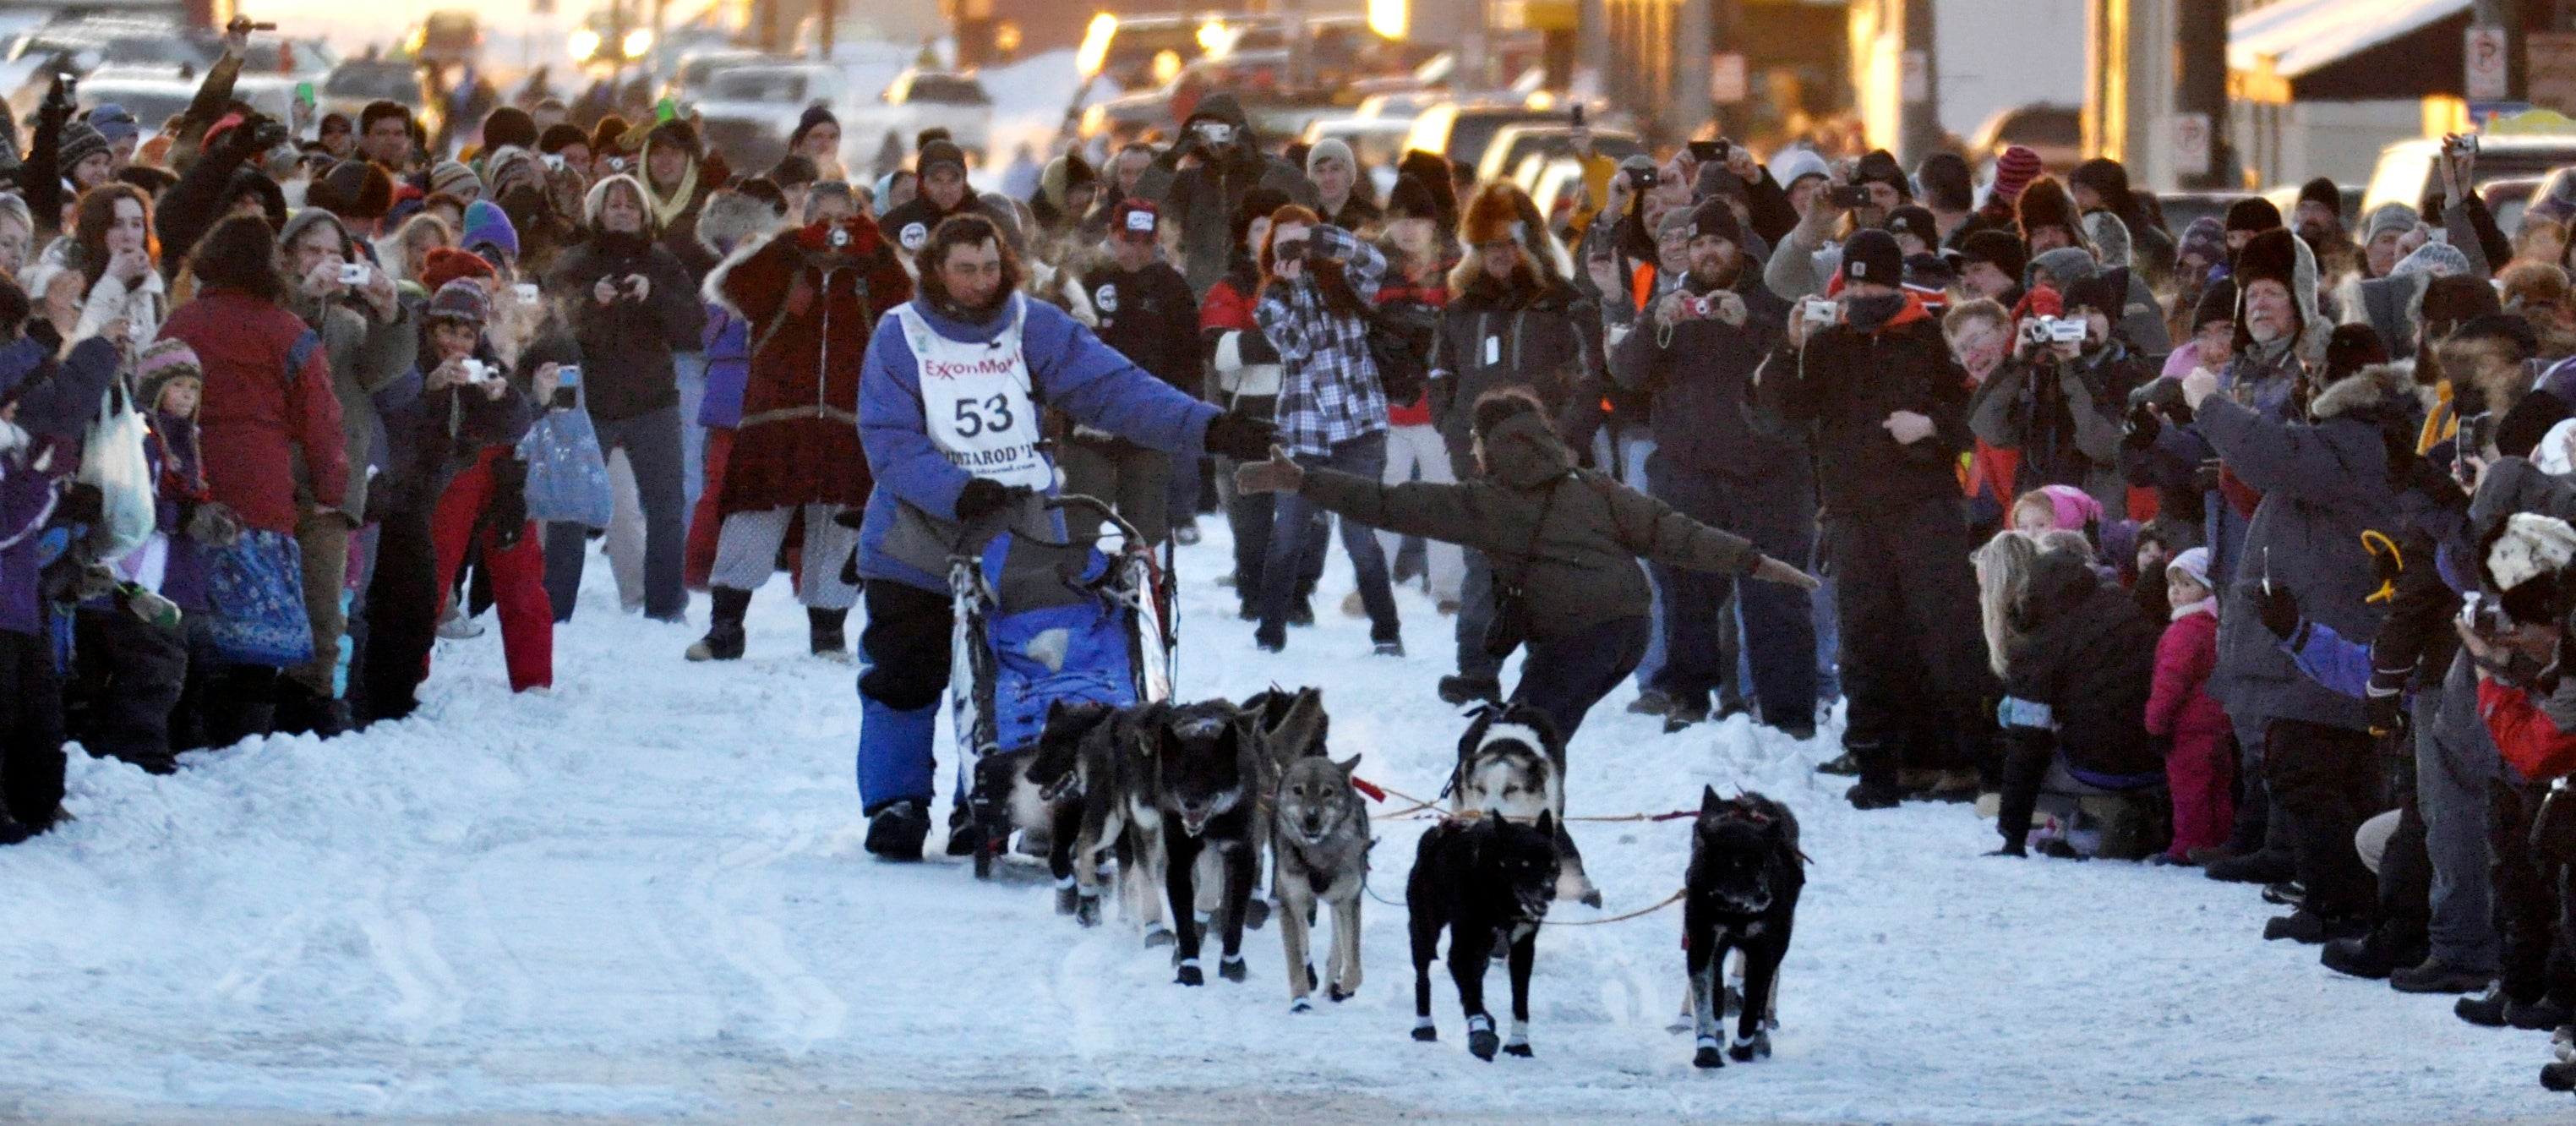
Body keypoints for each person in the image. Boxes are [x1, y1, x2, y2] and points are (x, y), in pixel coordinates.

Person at [852, 213, 1275, 861]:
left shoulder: (1032, 326)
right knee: (905, 674)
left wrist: (1210, 429)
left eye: (990, 267)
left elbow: (1117, 390)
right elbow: (888, 438)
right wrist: (954, 489)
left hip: (1017, 536)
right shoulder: (899, 335)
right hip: (917, 535)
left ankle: (989, 800)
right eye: (964, 269)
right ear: (936, 269)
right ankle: (897, 804)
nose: (978, 282)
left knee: (1015, 675)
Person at [1238, 389, 1817, 741]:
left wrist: (1305, 481)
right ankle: (1546, 844)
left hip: (1578, 638)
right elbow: (1677, 533)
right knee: (1536, 738)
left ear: (1491, 443)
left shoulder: (1485, 502)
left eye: (1475, 437)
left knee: (1521, 743)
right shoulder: (1590, 484)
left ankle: (1543, 857)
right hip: (1629, 630)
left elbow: (1390, 504)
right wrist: (1756, 561)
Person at [2181, 352, 2418, 941]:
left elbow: (2271, 454)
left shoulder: (2351, 438)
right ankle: (2347, 898)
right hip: (2332, 633)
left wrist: (2209, 402)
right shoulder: (2365, 441)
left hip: (2320, 640)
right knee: (2337, 776)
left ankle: (2337, 905)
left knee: (2305, 772)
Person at [1756, 229, 1994, 809]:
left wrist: (1931, 425)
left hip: (1926, 509)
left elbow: (1974, 411)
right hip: (1854, 515)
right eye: (1854, 281)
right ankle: (1880, 763)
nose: (1862, 293)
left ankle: (1967, 760)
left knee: (1944, 635)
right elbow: (1782, 413)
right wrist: (1790, 348)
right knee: (1866, 641)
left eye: (1874, 282)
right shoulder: (1829, 344)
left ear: (1895, 283)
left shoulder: (1928, 340)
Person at [1608, 196, 1815, 737]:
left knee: (1776, 598)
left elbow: (1800, 371)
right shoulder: (1671, 303)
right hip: (1688, 472)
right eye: (1697, 244)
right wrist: (1655, 322)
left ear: (1738, 245)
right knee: (1686, 595)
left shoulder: (1772, 298)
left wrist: (1750, 325)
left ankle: (1787, 713)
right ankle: (1687, 698)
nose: (1707, 253)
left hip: (1767, 473)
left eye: (1717, 242)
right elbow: (1627, 376)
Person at [690, 186, 908, 662]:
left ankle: (828, 631)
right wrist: (792, 244)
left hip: (849, 422)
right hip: (775, 420)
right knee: (752, 519)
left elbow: (914, 298)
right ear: (805, 220)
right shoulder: (780, 260)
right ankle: (725, 627)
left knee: (838, 527)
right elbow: (727, 286)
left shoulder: (872, 270)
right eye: (823, 219)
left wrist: (877, 249)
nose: (833, 230)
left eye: (843, 219)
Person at [158, 214, 350, 745]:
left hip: (193, 483)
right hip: (264, 492)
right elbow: (323, 420)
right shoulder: (289, 332)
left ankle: (186, 723)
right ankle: (244, 731)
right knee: (257, 630)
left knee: (194, 611)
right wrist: (331, 492)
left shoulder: (181, 323)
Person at [1428, 183, 1601, 698]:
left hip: (1549, 462)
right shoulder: (1460, 313)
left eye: (1508, 244)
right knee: (1484, 571)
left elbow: (1592, 378)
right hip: (1482, 465)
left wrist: (1569, 442)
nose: (1500, 257)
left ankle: (1549, 671)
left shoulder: (1564, 306)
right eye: (1488, 247)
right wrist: (1455, 432)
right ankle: (1477, 674)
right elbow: (1440, 376)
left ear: (1530, 245)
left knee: (1549, 573)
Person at [542, 173, 707, 625]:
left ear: (644, 214)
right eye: (613, 204)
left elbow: (692, 326)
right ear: (597, 210)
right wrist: (589, 300)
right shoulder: (575, 261)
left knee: (666, 507)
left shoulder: (663, 263)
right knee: (570, 509)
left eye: (631, 206)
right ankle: (555, 609)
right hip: (586, 402)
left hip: (653, 399)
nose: (622, 211)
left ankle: (666, 605)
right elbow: (549, 321)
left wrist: (653, 296)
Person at [276, 209, 416, 735]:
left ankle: (315, 706)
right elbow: (285, 340)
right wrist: (308, 297)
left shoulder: (350, 325)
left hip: (334, 482)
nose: (324, 263)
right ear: (287, 256)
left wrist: (390, 313)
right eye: (312, 251)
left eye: (335, 254)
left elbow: (387, 370)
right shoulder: (272, 309)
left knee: (325, 612)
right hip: (275, 478)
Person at [1252, 206, 1403, 655]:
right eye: (1286, 243)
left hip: (1359, 427)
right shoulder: (1271, 301)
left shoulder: (1347, 285)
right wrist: (1295, 282)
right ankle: (1269, 634)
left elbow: (1375, 263)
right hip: (1305, 433)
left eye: (1302, 242)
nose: (1296, 251)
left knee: (1360, 538)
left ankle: (1387, 633)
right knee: (1288, 535)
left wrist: (1324, 241)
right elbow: (1299, 347)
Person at [0, 275, 120, 839]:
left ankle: (36, 799)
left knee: (37, 701)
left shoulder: (19, 410)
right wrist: (45, 480)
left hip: (19, 590)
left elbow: (64, 405)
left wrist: (95, 345)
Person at [409, 280, 552, 692]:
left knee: (521, 571)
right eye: (447, 331)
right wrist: (434, 386)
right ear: (432, 328)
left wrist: (500, 396)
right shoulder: (412, 357)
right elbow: (400, 412)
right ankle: (410, 675)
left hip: (497, 472)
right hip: (440, 479)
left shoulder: (487, 360)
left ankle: (534, 678)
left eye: (466, 334)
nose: (456, 343)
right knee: (430, 576)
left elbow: (518, 421)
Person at [1989, 542, 2168, 856]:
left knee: (2021, 748)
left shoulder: (2041, 642)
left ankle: (2079, 818)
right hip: (2157, 760)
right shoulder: (2125, 608)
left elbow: (2028, 739)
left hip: (2098, 767)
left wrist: (2012, 835)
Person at [1061, 199, 1200, 548]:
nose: (1136, 250)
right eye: (1128, 239)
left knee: (1145, 533)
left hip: (1148, 426)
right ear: (1112, 234)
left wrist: (1176, 413)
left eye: (1145, 242)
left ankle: (1144, 592)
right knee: (1081, 525)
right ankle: (1078, 592)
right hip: (1090, 426)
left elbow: (1188, 359)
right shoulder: (1087, 276)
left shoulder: (1171, 286)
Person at [1132, 94, 1319, 297]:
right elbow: (1140, 204)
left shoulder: (1270, 171)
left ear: (1238, 130)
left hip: (1262, 292)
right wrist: (1172, 156)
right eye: (1204, 130)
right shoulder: (1189, 182)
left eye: (1220, 129)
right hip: (1204, 295)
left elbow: (1306, 202)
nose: (1213, 137)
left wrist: (1254, 161)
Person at [2148, 546, 2233, 863]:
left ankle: (2188, 846)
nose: (2177, 593)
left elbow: (2170, 683)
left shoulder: (2185, 630)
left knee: (2189, 790)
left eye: (2187, 584)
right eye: (2173, 585)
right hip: (2218, 722)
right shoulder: (2218, 625)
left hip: (2188, 726)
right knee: (2216, 787)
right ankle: (2218, 841)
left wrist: (2155, 723)